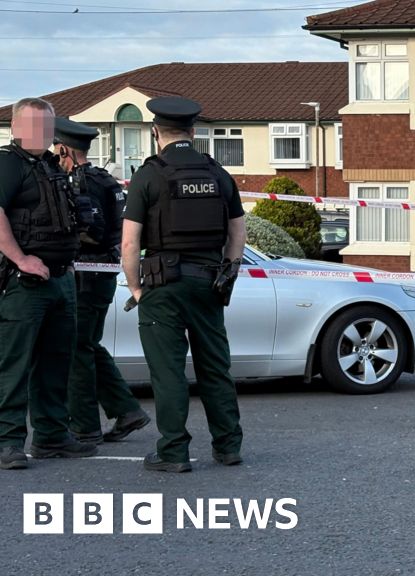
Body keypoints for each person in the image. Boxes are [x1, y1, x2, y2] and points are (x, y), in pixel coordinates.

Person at [122, 97, 246, 473]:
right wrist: (228, 271)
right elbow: (238, 230)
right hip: (208, 282)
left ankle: (173, 452)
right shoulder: (218, 173)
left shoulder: (149, 175)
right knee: (215, 367)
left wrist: (136, 289)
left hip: (162, 287)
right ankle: (228, 447)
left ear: (156, 132)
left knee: (168, 371)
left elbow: (130, 243)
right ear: (193, 132)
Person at [0, 98, 97, 470]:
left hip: (60, 278)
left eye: (46, 125)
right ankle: (7, 441)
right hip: (23, 284)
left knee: (56, 362)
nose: (41, 133)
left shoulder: (49, 165)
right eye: (34, 125)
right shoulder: (8, 164)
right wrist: (21, 259)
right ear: (16, 127)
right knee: (14, 365)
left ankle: (52, 436)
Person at [54, 118, 151, 446]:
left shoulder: (81, 181)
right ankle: (126, 410)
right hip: (102, 274)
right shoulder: (105, 178)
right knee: (89, 344)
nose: (56, 154)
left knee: (77, 348)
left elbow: (91, 231)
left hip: (86, 275)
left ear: (65, 149)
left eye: (57, 149)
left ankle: (84, 426)